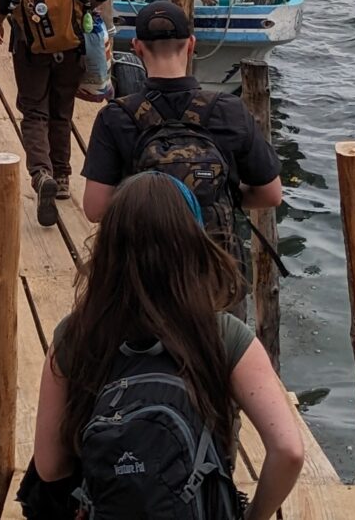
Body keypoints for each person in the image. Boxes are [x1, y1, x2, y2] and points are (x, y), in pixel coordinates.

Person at [26, 173, 303, 520]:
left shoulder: (74, 336)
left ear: (108, 247)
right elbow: (288, 451)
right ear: (193, 242)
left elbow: (50, 466)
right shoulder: (222, 334)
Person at [81, 0, 282, 274]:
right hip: (214, 273)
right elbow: (271, 194)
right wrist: (218, 195)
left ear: (137, 47)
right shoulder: (230, 110)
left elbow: (95, 209)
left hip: (141, 273)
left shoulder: (115, 117)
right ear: (191, 44)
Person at [0, 0, 109, 221]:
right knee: (61, 110)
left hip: (30, 45)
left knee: (34, 111)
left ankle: (40, 173)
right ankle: (62, 177)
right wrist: (83, 9)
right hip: (70, 45)